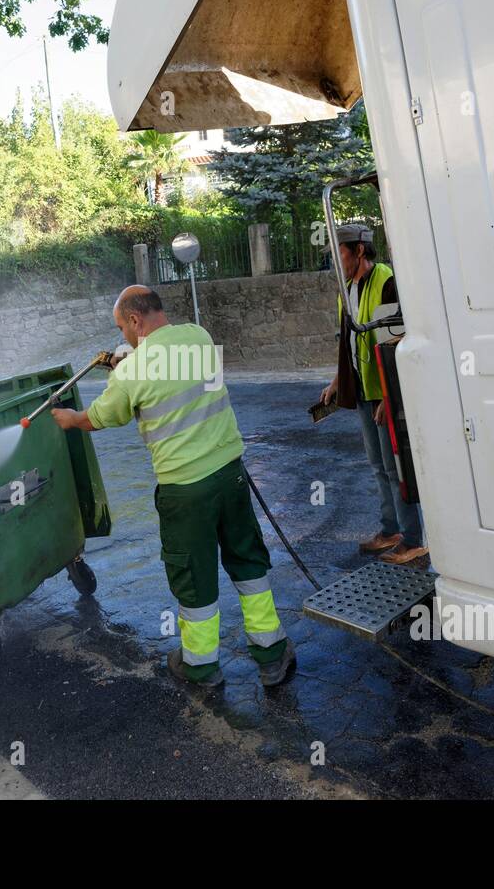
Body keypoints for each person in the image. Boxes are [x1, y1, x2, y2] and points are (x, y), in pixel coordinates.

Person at [51, 286, 296, 689]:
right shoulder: (198, 337)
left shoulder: (131, 371)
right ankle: (271, 657)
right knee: (248, 561)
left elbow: (102, 417)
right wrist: (130, 362)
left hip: (185, 491)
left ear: (134, 320)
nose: (124, 336)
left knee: (194, 575)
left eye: (123, 327)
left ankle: (200, 666)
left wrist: (70, 419)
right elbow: (173, 371)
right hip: (230, 475)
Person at [319, 224, 427, 565]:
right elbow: (349, 339)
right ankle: (390, 530)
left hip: (385, 392)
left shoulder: (387, 282)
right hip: (365, 388)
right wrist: (338, 381)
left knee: (397, 468)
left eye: (341, 254)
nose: (337, 262)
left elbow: (399, 340)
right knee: (379, 466)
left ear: (360, 251)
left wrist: (389, 396)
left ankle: (413, 540)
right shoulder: (346, 289)